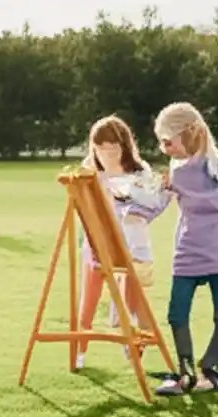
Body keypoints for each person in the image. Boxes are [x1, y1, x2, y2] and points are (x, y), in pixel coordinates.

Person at [153, 102, 218, 396]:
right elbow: (158, 204)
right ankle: (186, 372)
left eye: (167, 141)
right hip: (187, 250)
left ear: (189, 133)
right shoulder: (175, 170)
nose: (164, 148)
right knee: (177, 313)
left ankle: (211, 366)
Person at [75, 115, 169, 369]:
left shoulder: (139, 172)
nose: (107, 153)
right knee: (89, 300)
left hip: (131, 246)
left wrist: (135, 207)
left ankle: (135, 347)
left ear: (124, 145)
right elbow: (82, 208)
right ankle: (79, 353)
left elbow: (154, 205)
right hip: (97, 245)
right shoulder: (89, 171)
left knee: (135, 301)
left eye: (113, 147)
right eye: (101, 147)